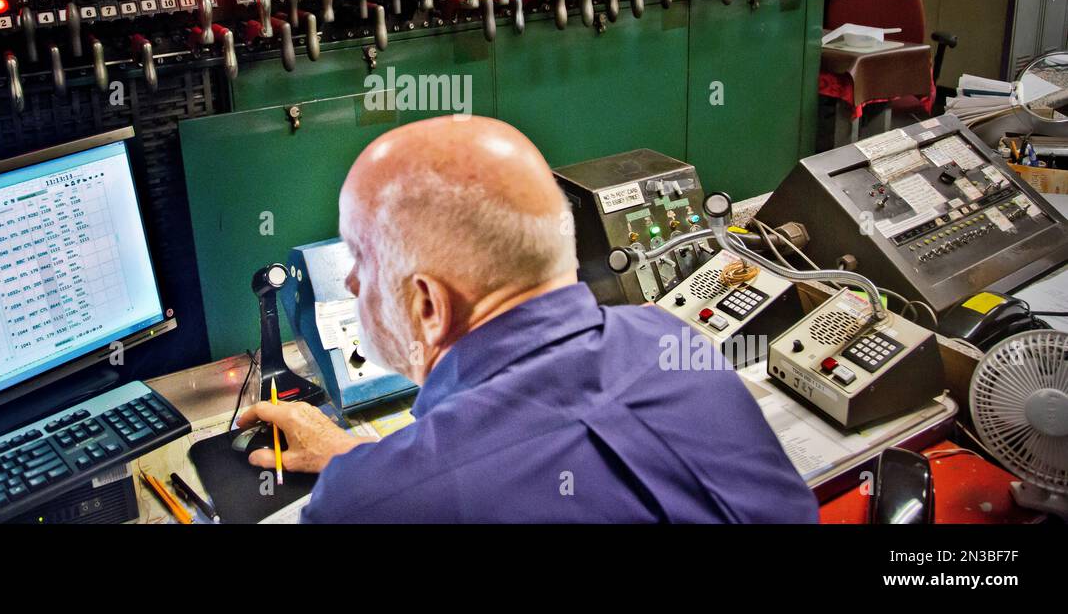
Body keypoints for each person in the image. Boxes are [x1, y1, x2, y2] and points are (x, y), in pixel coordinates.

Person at [238, 116, 817, 523]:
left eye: (361, 259)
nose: (352, 284)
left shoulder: (365, 508)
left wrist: (366, 481)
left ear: (429, 305)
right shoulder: (671, 340)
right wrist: (366, 464)